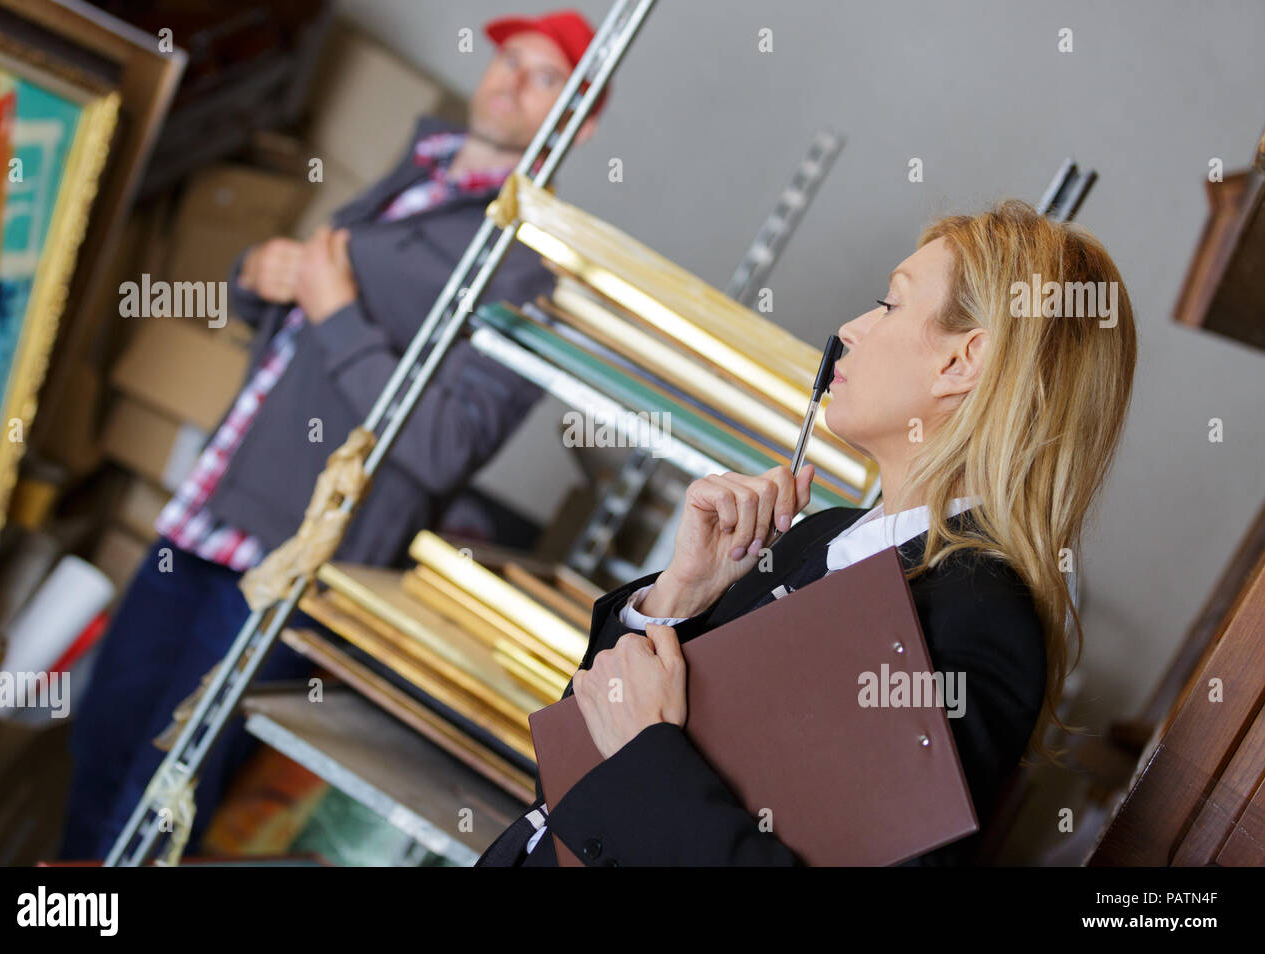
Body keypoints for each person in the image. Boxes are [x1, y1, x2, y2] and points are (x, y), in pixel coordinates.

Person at [60, 10, 606, 861]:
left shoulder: (532, 262)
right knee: (102, 733)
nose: (509, 80)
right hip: (211, 507)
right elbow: (297, 322)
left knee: (163, 790)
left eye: (545, 76)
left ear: (584, 116)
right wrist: (259, 276)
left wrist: (337, 309)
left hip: (294, 556)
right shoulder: (419, 168)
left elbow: (443, 448)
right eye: (509, 59)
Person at [477, 199, 1138, 866]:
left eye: (888, 305)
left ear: (962, 363)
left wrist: (648, 757)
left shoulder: (976, 618)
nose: (850, 329)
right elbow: (564, 789)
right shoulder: (816, 537)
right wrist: (677, 598)